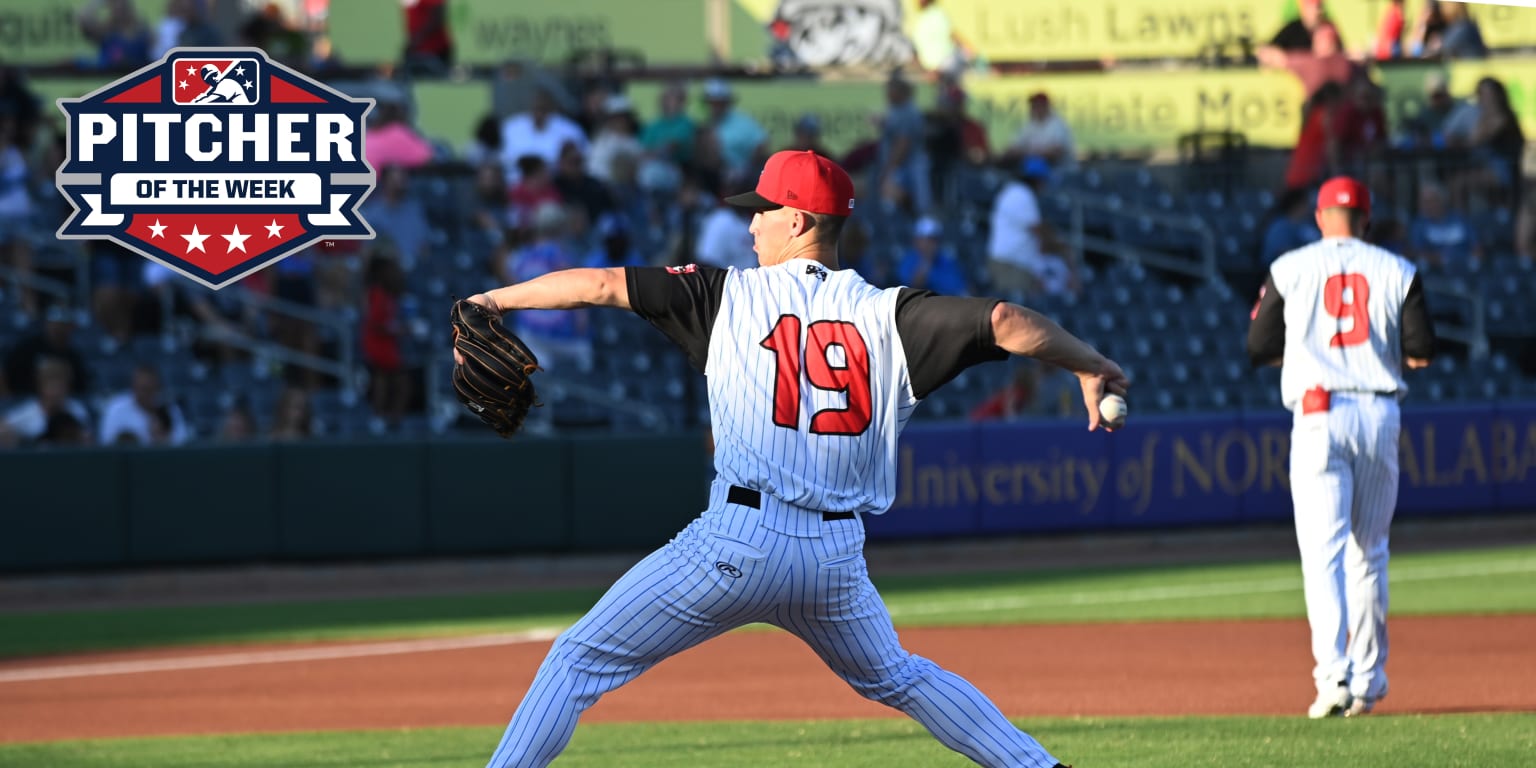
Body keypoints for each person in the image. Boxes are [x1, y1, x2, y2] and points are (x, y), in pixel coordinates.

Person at [460, 148, 1126, 768]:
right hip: (834, 558)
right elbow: (1007, 318)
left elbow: (603, 285)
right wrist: (1089, 364)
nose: (751, 225)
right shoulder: (891, 314)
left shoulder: (724, 295)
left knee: (577, 660)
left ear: (800, 220)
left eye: (761, 210)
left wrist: (494, 300)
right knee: (898, 676)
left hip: (738, 540)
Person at [1247, 176, 1437, 719]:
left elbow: (1258, 347)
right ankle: (1369, 680)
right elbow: (1423, 348)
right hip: (1378, 412)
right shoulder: (1397, 269)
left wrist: (1307, 353)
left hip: (1318, 412)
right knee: (1369, 552)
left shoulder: (1291, 266)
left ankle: (1332, 679)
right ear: (1368, 220)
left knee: (1322, 555)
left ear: (1319, 216)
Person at [98, 364, 191, 446]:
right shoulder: (116, 409)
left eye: (152, 389)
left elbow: (181, 443)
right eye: (143, 389)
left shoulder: (170, 409)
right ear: (134, 387)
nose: (148, 394)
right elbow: (107, 444)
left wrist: (162, 439)